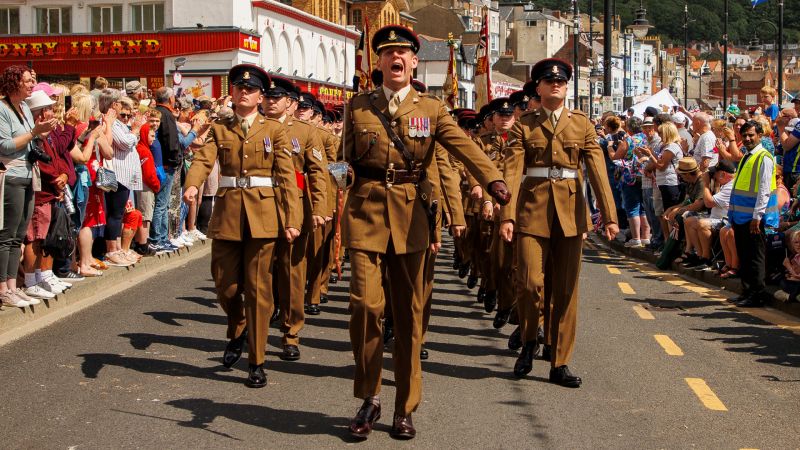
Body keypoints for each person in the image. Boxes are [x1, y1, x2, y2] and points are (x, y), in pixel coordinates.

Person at [342, 25, 509, 440]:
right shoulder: (358, 106)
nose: (395, 58)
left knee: (411, 315)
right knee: (364, 306)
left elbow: (464, 147)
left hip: (411, 216)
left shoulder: (430, 109)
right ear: (377, 62)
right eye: (387, 53)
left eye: (403, 53)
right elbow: (342, 157)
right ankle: (370, 396)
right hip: (365, 212)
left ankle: (404, 406)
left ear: (414, 62)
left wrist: (492, 180)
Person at [499, 58, 619, 387]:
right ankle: (528, 340)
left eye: (562, 81)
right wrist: (506, 215)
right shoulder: (525, 125)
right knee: (528, 283)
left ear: (567, 87)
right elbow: (511, 171)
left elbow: (597, 171)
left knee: (564, 291)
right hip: (531, 212)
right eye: (549, 81)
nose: (556, 85)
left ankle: (559, 360)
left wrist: (609, 216)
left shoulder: (581, 124)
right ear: (537, 87)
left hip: (569, 214)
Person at [183, 64, 302, 388]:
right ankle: (238, 324)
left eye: (250, 89)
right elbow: (204, 159)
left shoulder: (274, 130)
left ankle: (256, 360)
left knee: (260, 289)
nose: (244, 92)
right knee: (225, 285)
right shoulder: (221, 126)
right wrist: (192, 184)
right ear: (232, 92)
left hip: (264, 217)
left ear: (260, 96)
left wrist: (292, 219)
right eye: (239, 87)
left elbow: (287, 178)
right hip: (229, 213)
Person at [262, 75, 328, 361]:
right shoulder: (253, 127)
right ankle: (263, 317)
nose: (270, 101)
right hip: (260, 205)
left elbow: (318, 172)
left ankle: (291, 332)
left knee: (292, 271)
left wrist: (320, 209)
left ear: (290, 103)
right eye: (267, 96)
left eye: (277, 97)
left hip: (295, 206)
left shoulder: (304, 132)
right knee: (261, 270)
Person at [0, 65, 56, 308]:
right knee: (7, 235)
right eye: (27, 82)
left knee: (18, 236)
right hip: (11, 175)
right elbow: (6, 146)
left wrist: (42, 133)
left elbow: (28, 139)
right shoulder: (2, 109)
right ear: (14, 83)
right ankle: (3, 288)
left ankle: (13, 286)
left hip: (28, 175)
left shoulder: (23, 107)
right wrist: (35, 131)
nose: (32, 85)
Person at [728, 120, 777, 307]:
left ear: (760, 136)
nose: (748, 138)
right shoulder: (747, 156)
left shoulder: (763, 157)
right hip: (741, 216)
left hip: (754, 218)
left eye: (751, 135)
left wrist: (757, 216)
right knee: (745, 255)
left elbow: (764, 189)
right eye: (745, 135)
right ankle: (747, 291)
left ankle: (757, 294)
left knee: (755, 257)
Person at [99, 90, 144, 266]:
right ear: (113, 105)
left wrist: (132, 131)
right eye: (123, 113)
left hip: (125, 176)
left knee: (119, 214)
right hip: (116, 174)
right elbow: (124, 143)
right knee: (115, 214)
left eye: (128, 114)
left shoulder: (119, 124)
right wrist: (135, 131)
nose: (126, 117)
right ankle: (111, 250)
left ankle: (118, 248)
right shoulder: (112, 124)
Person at [682, 160, 736, 271]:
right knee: (689, 221)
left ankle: (706, 259)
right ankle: (700, 256)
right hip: (715, 218)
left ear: (723, 174)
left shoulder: (731, 186)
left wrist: (705, 184)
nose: (713, 176)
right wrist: (714, 184)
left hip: (725, 220)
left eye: (715, 173)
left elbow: (709, 203)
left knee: (702, 224)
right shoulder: (724, 185)